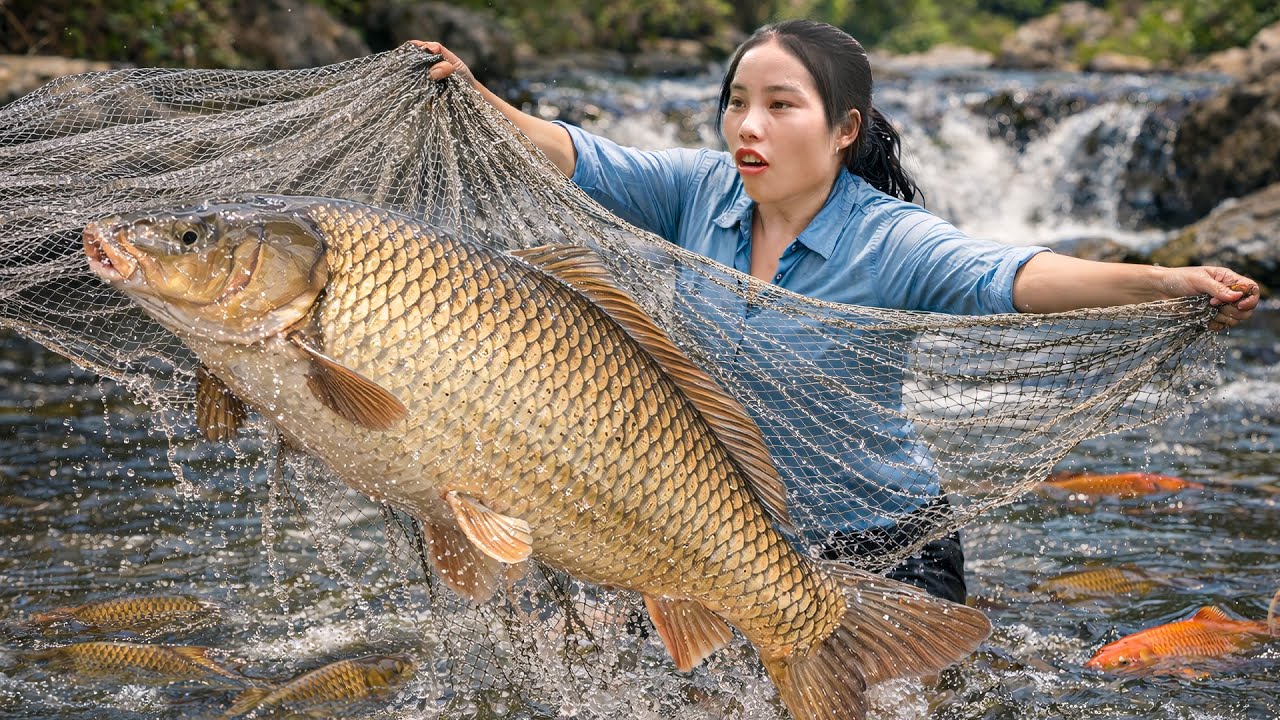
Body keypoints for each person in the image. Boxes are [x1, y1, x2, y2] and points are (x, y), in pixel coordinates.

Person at [409, 20, 1259, 604]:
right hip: (727, 535)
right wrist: (477, 97)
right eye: (738, 101)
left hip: (883, 549)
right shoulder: (697, 192)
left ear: (844, 128)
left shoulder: (892, 241)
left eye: (782, 106)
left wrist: (1167, 281)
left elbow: (1017, 275)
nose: (750, 126)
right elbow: (575, 155)